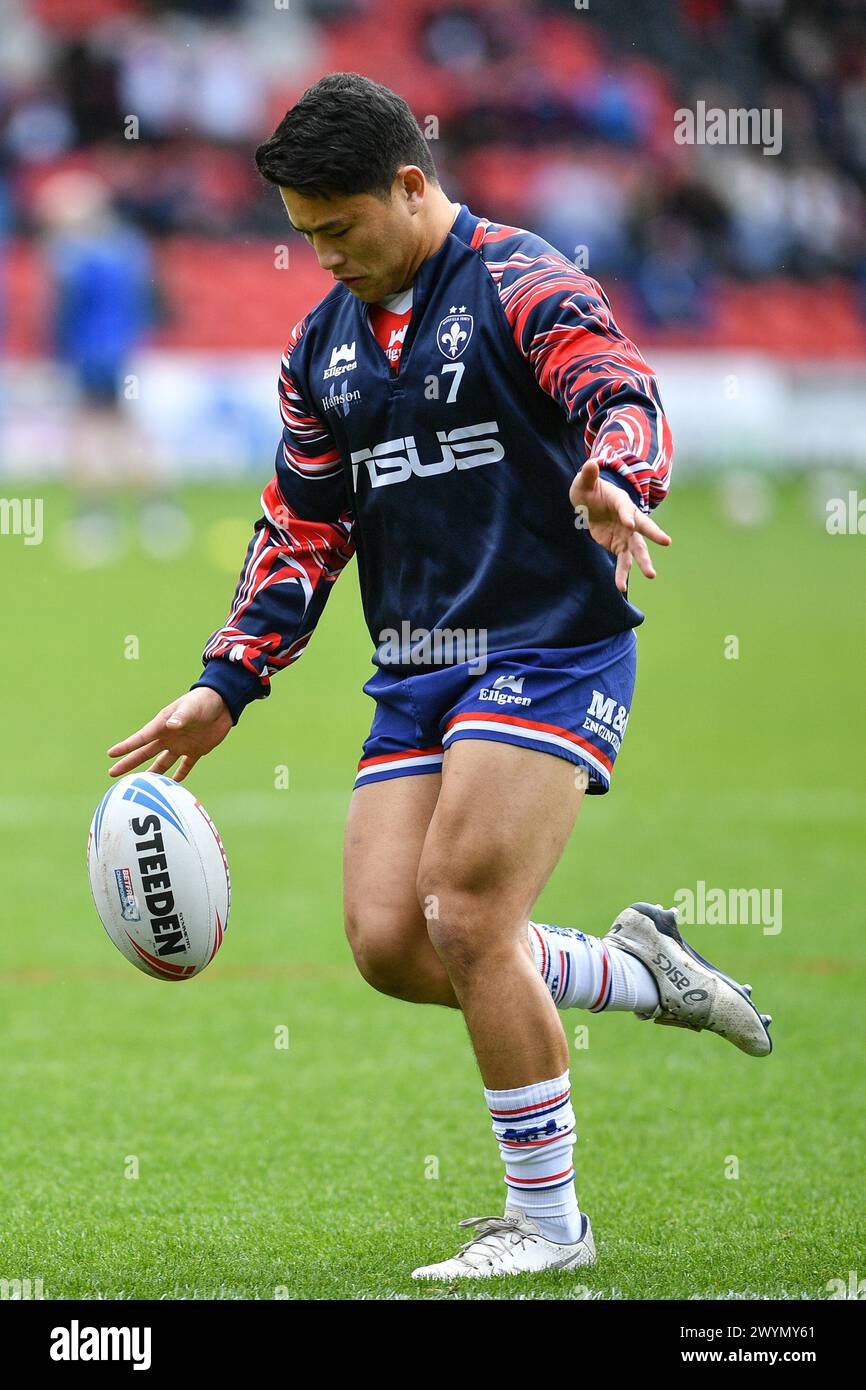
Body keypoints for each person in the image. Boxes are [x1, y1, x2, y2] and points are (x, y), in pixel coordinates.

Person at [108, 73, 772, 1281]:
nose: (322, 256)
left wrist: (616, 475)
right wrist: (225, 680)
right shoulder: (319, 349)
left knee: (465, 915)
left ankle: (549, 1224)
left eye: (338, 227)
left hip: (548, 643)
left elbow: (617, 389)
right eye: (303, 235)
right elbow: (302, 525)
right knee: (390, 942)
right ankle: (638, 971)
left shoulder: (522, 281)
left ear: (410, 186)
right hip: (416, 665)